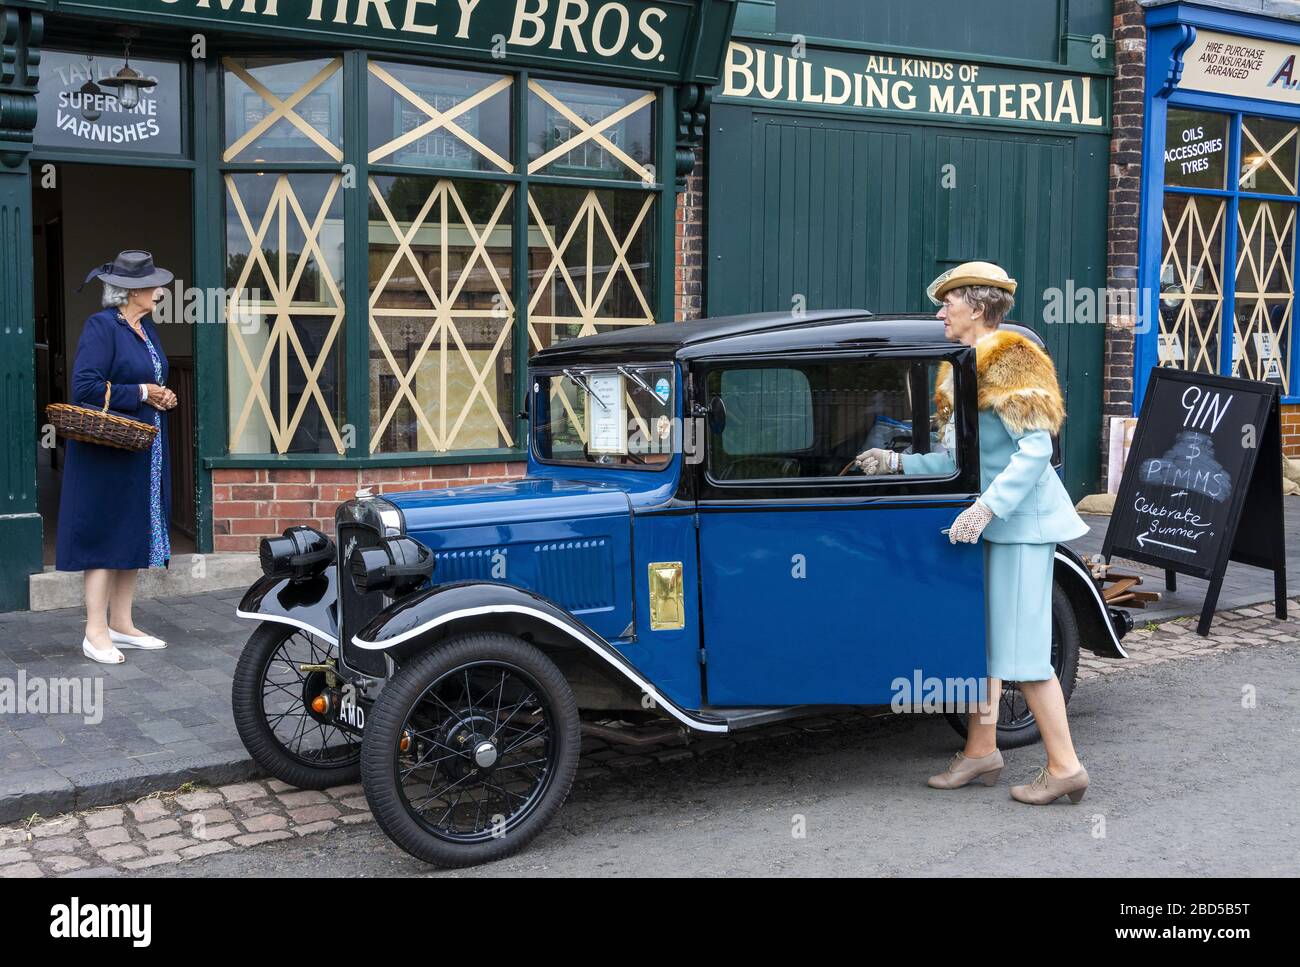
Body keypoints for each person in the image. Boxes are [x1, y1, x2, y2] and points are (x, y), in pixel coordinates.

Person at [855, 261, 1093, 805]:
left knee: (1027, 655)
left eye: (949, 302)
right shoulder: (960, 364)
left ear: (978, 308)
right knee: (981, 644)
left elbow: (1036, 450)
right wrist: (897, 465)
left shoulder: (1011, 357)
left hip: (1019, 526)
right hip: (992, 525)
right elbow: (954, 458)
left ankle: (1065, 767)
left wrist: (987, 509)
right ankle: (981, 751)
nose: (940, 311)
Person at [56, 251, 178, 665]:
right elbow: (85, 388)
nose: (160, 291)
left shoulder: (145, 329)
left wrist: (162, 395)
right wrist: (143, 392)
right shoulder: (101, 327)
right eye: (153, 285)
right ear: (130, 291)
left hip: (142, 449)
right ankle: (94, 631)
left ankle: (122, 624)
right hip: (107, 452)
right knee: (106, 535)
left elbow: (152, 379)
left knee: (132, 532)